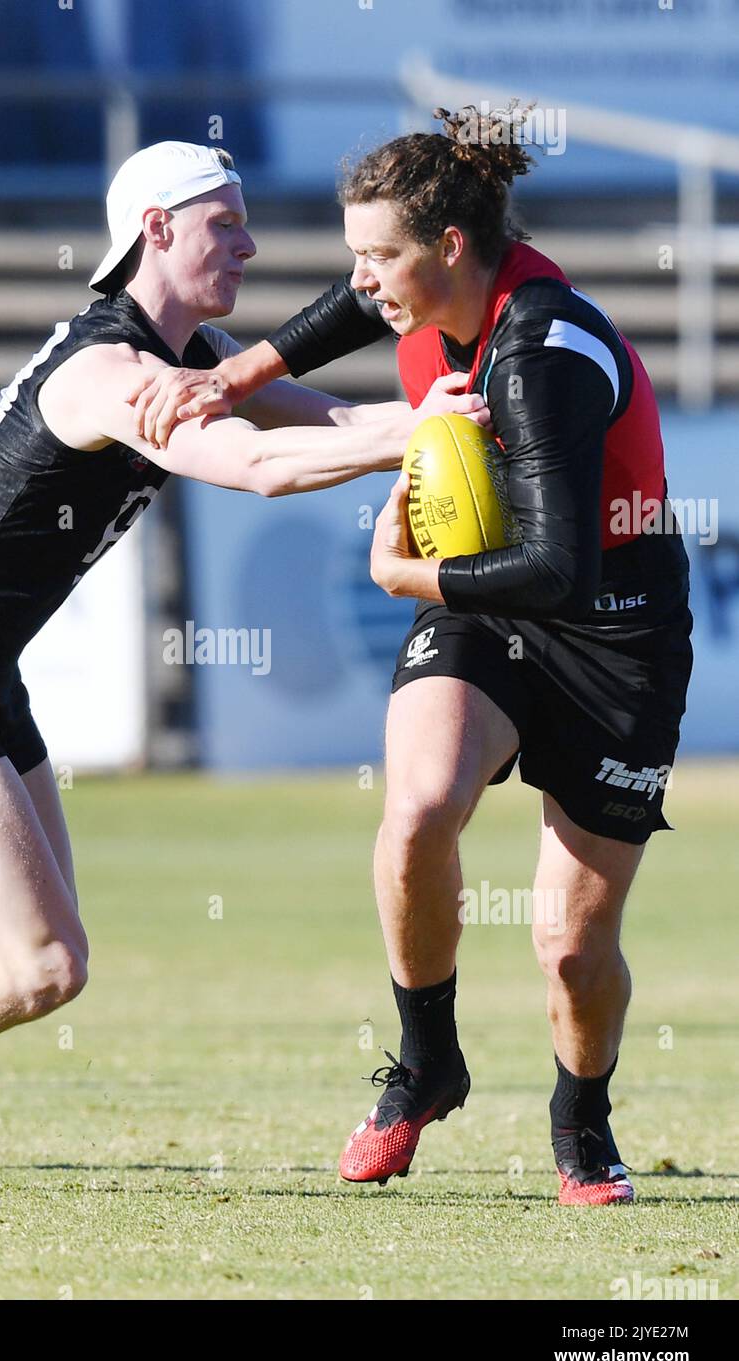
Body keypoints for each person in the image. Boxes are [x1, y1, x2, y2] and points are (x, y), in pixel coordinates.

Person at [0, 141, 486, 1190]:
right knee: (41, 965)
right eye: (227, 224)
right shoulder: (106, 370)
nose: (250, 241)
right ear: (159, 229)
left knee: (41, 944)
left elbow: (346, 423)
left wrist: (455, 414)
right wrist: (423, 430)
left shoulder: (191, 354)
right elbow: (262, 467)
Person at [126, 106, 693, 1206]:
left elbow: (560, 570)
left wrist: (403, 579)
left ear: (447, 249)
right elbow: (351, 307)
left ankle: (583, 1117)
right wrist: (233, 376)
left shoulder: (541, 349)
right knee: (419, 807)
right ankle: (427, 1060)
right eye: (354, 252)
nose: (362, 279)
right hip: (489, 601)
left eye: (380, 254)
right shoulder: (434, 282)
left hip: (609, 614)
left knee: (572, 950)